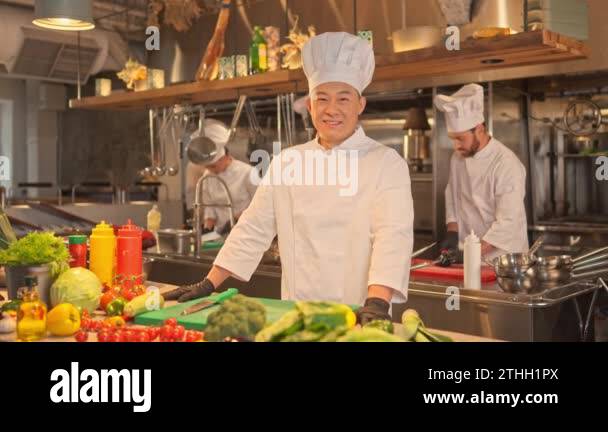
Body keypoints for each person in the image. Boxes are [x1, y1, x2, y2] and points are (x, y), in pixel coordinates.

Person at [166, 32, 414, 325]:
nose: (331, 109)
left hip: (359, 315)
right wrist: (209, 283)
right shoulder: (287, 162)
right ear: (310, 106)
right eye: (322, 98)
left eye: (343, 99)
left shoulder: (386, 163)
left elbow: (392, 237)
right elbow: (253, 227)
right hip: (297, 313)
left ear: (360, 105)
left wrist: (377, 303)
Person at [434, 83, 529, 261]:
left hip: (504, 260)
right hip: (470, 255)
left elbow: (508, 222)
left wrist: (471, 253)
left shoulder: (506, 163)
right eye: (453, 139)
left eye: (461, 138)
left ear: (479, 129)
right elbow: (452, 195)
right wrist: (452, 233)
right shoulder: (458, 157)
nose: (456, 146)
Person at [185, 119, 258, 233]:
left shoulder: (249, 172)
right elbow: (210, 206)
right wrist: (208, 227)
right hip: (220, 234)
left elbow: (259, 204)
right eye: (207, 167)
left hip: (246, 230)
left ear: (224, 157)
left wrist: (235, 220)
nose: (210, 171)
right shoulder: (208, 175)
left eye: (213, 166)